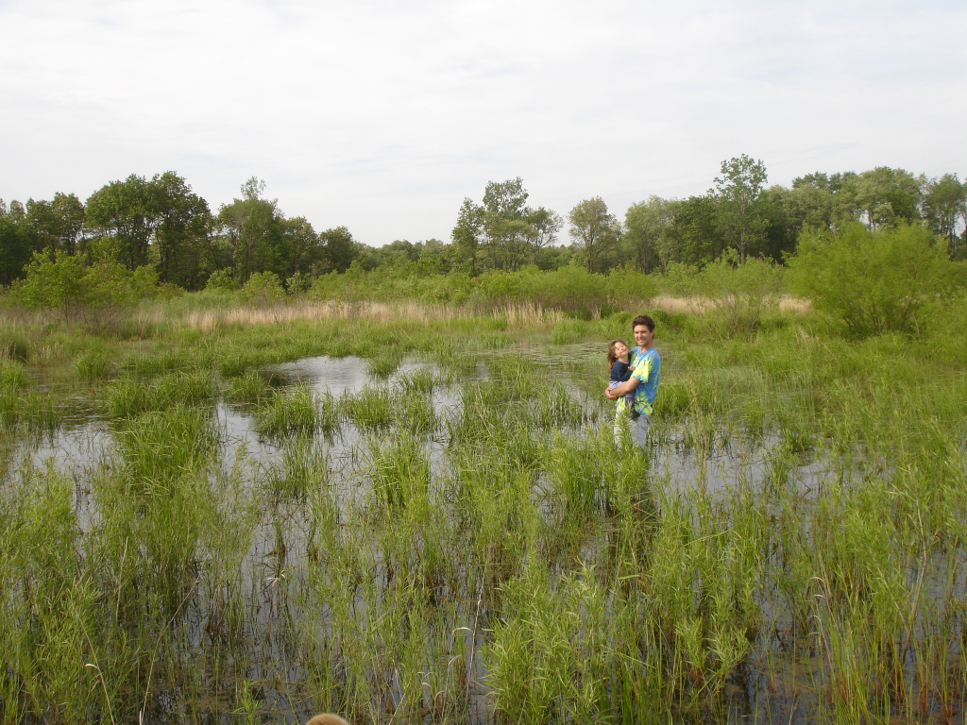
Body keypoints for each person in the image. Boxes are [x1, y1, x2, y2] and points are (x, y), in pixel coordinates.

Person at [605, 314, 660, 446]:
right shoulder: (635, 351)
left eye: (643, 332)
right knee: (620, 449)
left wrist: (611, 393)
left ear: (652, 332)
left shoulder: (650, 358)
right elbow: (619, 364)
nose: (639, 336)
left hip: (637, 414)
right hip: (623, 408)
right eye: (636, 332)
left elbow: (629, 386)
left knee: (635, 453)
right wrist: (609, 388)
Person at [606, 339, 637, 414]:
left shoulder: (629, 357)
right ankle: (629, 408)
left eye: (622, 346)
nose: (621, 348)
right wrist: (630, 371)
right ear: (615, 355)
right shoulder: (618, 365)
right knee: (630, 388)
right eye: (618, 349)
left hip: (621, 380)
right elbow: (622, 378)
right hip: (616, 382)